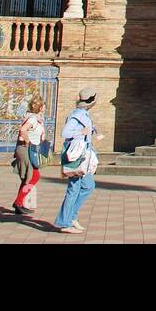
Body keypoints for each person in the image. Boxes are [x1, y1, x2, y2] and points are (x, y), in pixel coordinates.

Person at [54, 88, 100, 234]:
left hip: (84, 157)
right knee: (73, 189)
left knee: (88, 186)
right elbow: (65, 133)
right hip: (76, 157)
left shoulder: (85, 115)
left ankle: (71, 216)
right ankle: (64, 222)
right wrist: (81, 132)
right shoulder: (76, 115)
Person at [11, 95, 46, 214]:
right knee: (34, 176)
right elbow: (23, 129)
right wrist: (27, 141)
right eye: (43, 105)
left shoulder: (36, 119)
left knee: (28, 176)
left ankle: (19, 202)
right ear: (40, 107)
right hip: (27, 150)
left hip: (30, 150)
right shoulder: (32, 119)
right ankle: (18, 202)